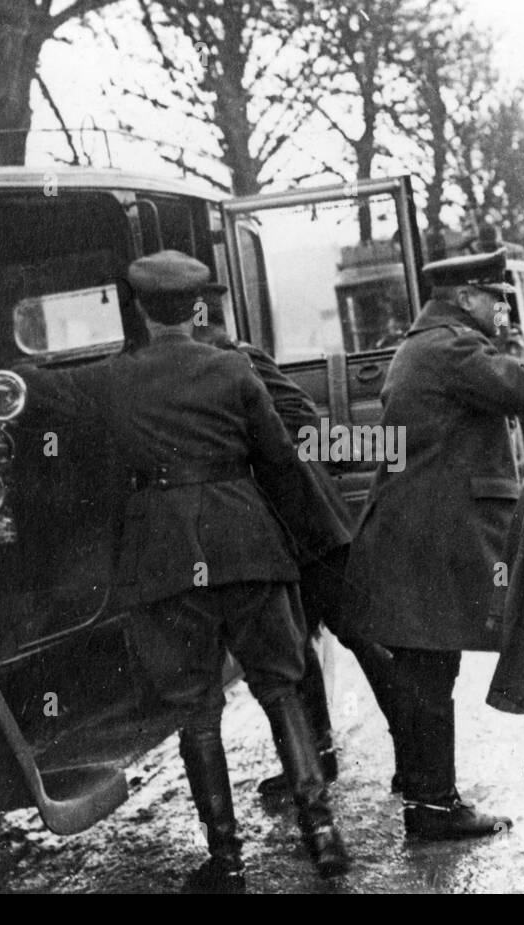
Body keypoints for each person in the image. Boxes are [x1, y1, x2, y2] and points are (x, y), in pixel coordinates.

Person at [17, 251, 350, 892]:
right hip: (249, 546)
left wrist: (9, 373)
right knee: (281, 688)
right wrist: (315, 543)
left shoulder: (110, 379)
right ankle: (323, 835)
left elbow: (40, 393)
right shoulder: (232, 368)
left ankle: (226, 864)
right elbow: (282, 462)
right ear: (196, 309)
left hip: (166, 560)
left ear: (138, 309)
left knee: (196, 712)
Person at [345, 249, 524, 840]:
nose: (503, 306)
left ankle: (428, 793)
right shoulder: (449, 348)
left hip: (416, 532)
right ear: (465, 298)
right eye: (496, 296)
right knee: (429, 670)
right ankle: (433, 806)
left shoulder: (430, 345)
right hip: (427, 537)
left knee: (428, 667)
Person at [191, 283, 402, 796]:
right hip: (274, 540)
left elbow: (304, 419)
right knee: (295, 651)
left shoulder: (238, 359)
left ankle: (416, 756)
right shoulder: (203, 368)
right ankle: (315, 761)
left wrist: (261, 467)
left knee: (363, 639)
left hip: (309, 530)